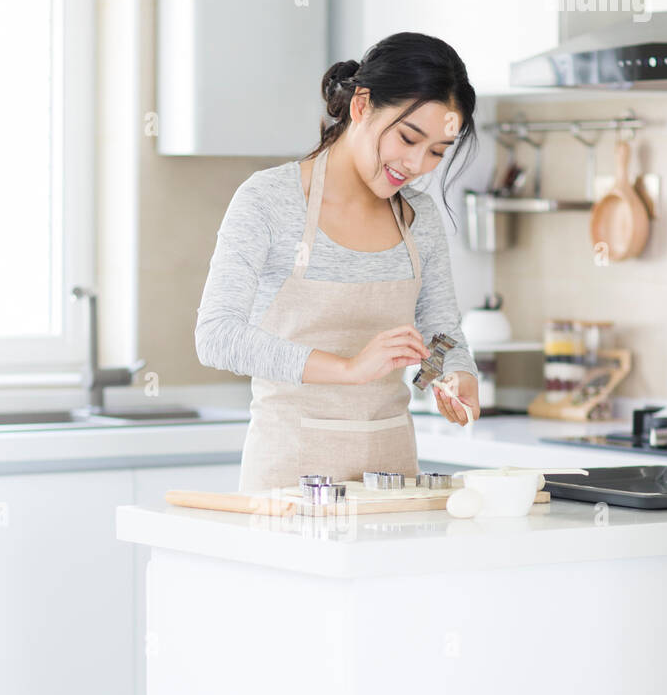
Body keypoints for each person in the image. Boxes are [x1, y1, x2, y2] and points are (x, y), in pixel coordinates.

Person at [195, 31, 480, 492]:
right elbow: (217, 336)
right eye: (409, 138)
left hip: (392, 479)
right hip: (289, 480)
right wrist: (348, 369)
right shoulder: (268, 201)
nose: (416, 164)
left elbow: (439, 330)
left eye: (435, 153)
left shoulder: (418, 217)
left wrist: (453, 371)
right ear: (362, 105)